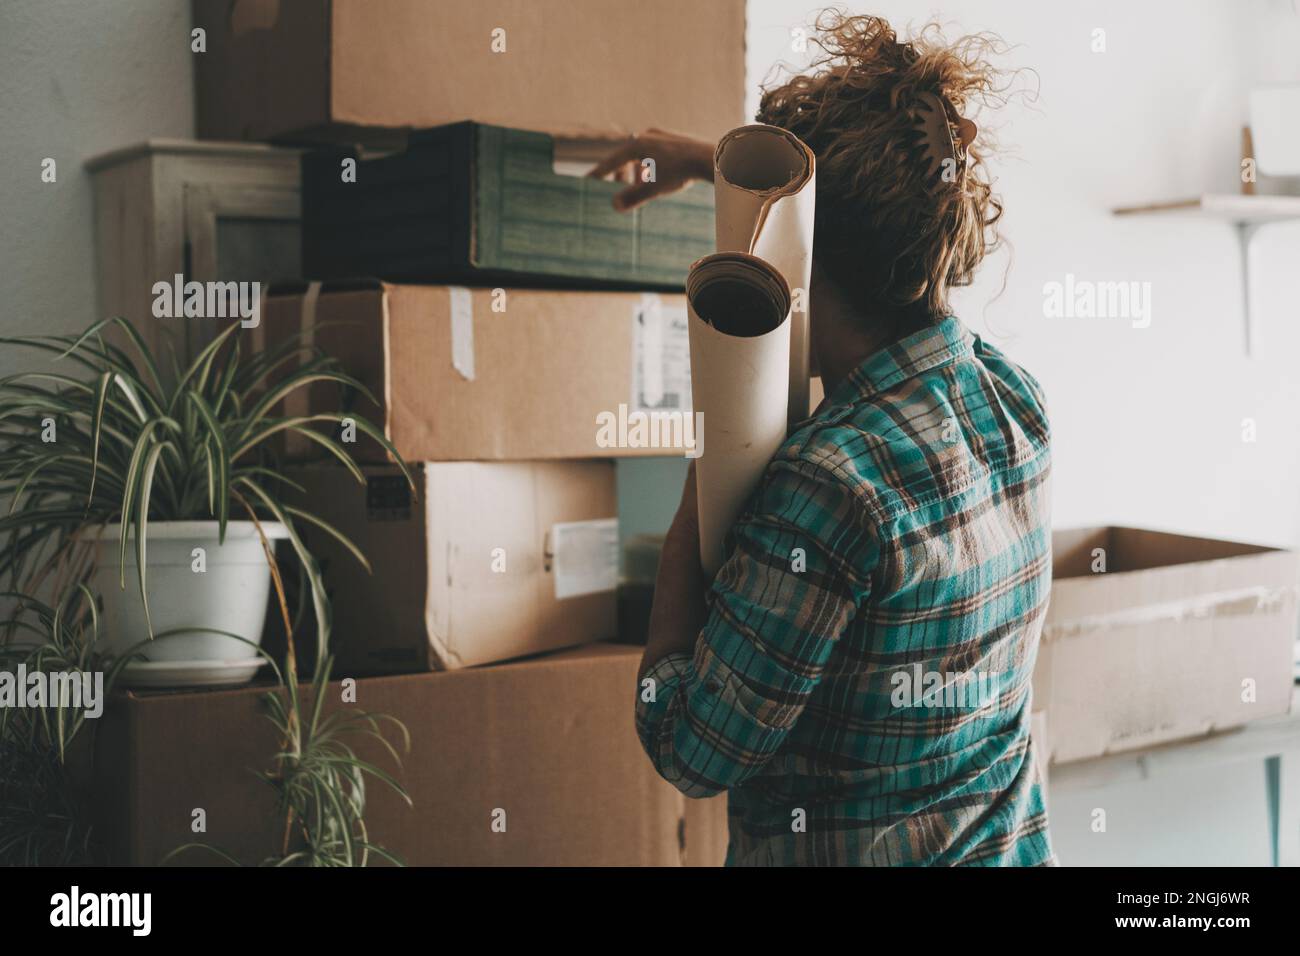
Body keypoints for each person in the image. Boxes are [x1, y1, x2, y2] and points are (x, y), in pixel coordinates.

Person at [592, 11, 1054, 866]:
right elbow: (863, 217)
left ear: (796, 251)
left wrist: (714, 449)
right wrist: (713, 162)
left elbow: (692, 747)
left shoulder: (826, 488)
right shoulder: (1014, 405)